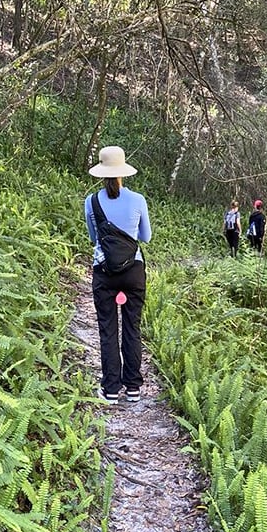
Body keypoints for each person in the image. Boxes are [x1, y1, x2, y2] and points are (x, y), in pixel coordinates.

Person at [85, 146, 152, 406]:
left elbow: (94, 239)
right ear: (124, 172)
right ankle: (133, 388)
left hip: (104, 272)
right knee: (132, 328)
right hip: (133, 271)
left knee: (108, 331)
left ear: (101, 173)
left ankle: (110, 389)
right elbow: (145, 237)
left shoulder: (91, 202)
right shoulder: (138, 200)